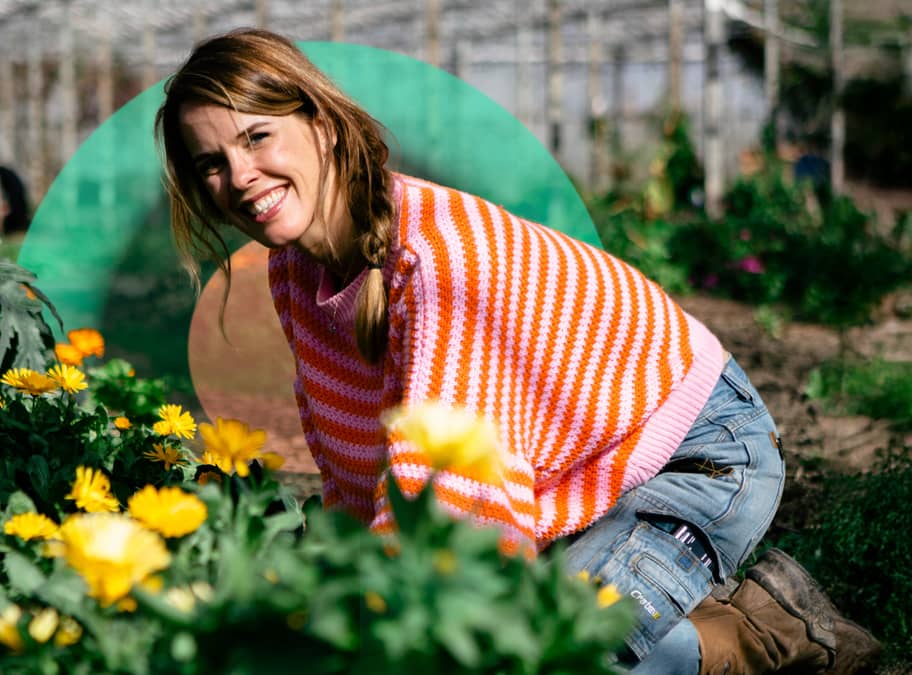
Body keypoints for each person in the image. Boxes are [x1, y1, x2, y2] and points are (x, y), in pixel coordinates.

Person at [154, 28, 881, 674]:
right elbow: (360, 461)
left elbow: (461, 514)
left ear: (324, 125)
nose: (238, 177)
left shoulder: (438, 264)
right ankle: (705, 627)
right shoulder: (296, 269)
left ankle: (761, 633)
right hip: (571, 466)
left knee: (538, 652)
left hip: (693, 452)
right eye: (210, 162)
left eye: (256, 138)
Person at [0, 152, 30, 236]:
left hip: (16, 204)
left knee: (11, 227)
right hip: (17, 203)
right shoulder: (4, 172)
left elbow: (10, 191)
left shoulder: (2, 173)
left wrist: (7, 205)